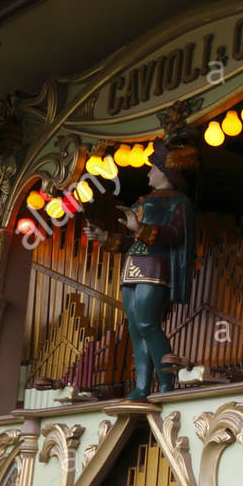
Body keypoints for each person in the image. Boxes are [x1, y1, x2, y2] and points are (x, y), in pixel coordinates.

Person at [85, 103, 196, 400]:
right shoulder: (143, 201)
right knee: (135, 329)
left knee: (148, 323)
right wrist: (105, 236)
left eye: (152, 167)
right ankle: (142, 385)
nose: (148, 173)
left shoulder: (178, 202)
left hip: (155, 268)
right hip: (133, 268)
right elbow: (129, 242)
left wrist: (138, 229)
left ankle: (168, 383)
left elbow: (173, 235)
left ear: (165, 172)